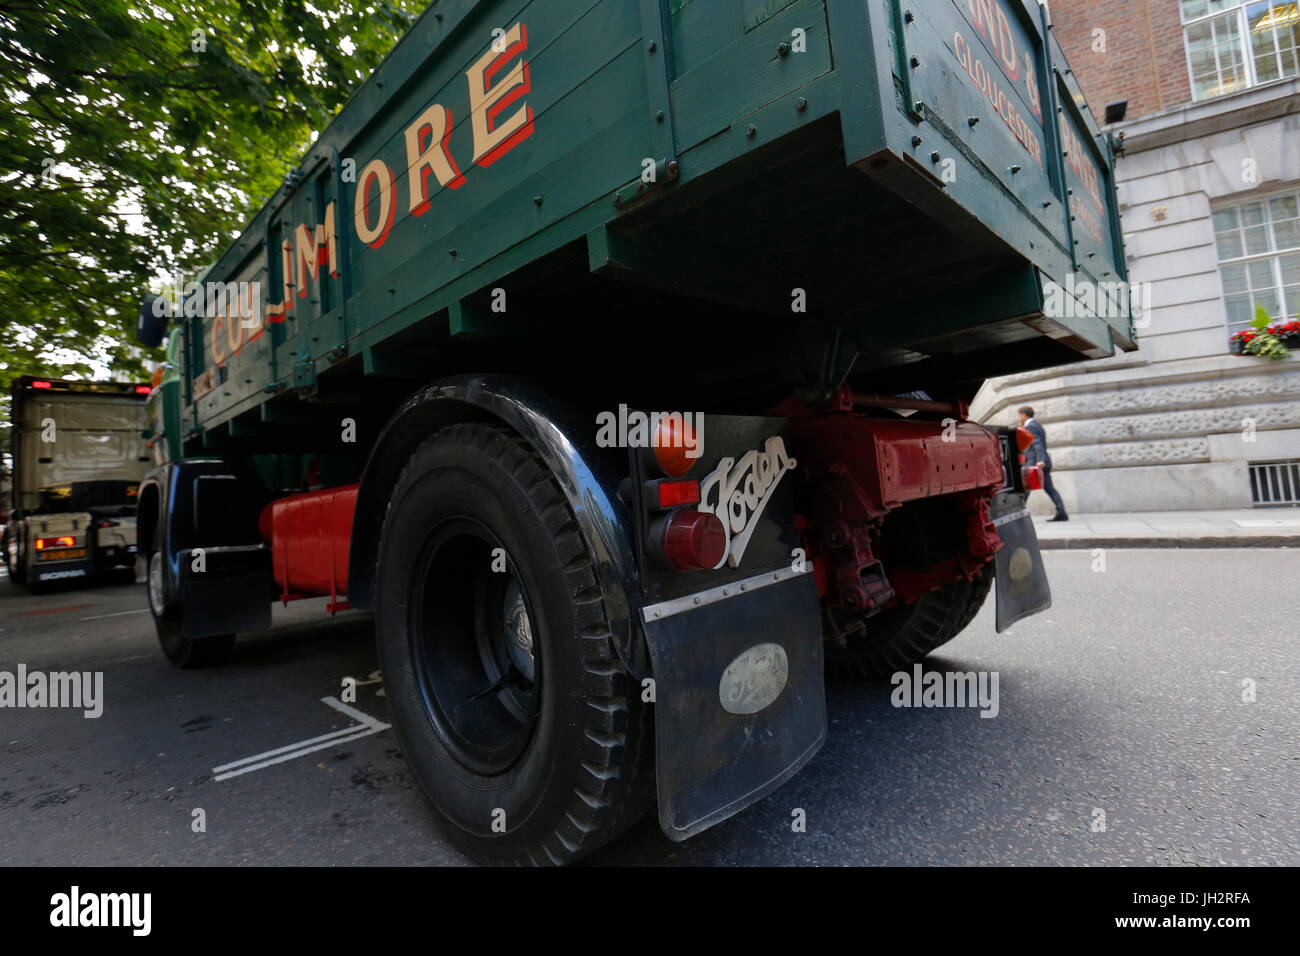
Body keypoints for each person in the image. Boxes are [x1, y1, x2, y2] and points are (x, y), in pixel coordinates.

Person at [1017, 406, 1068, 522]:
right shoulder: (1037, 425)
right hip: (1039, 462)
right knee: (1048, 488)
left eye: (1019, 415)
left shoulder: (1030, 426)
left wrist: (1040, 460)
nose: (1018, 417)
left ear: (1023, 415)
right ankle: (1061, 512)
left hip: (1036, 463)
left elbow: (1037, 443)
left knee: (1026, 488)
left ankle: (1018, 514)